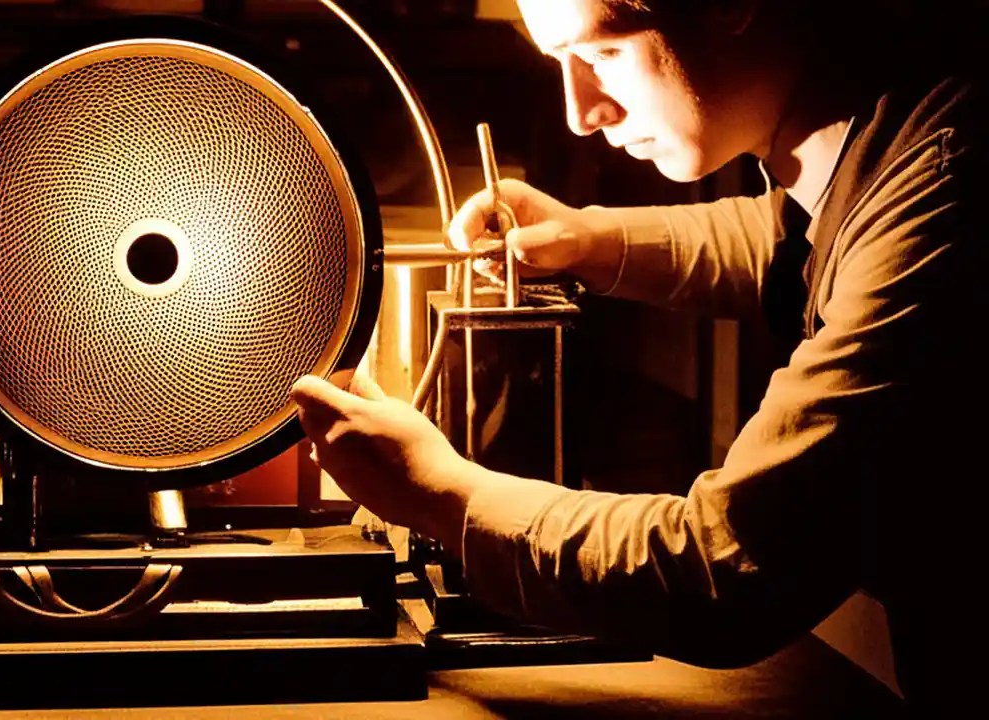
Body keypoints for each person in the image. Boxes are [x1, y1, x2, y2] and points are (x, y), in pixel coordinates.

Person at [289, 0, 989, 714]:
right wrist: (590, 238)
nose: (580, 113)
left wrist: (440, 493)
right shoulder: (881, 134)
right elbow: (781, 236)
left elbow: (727, 572)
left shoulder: (948, 189)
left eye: (602, 55)